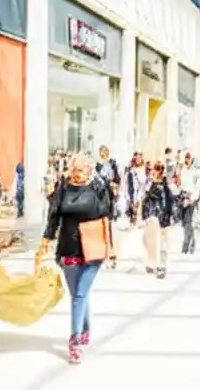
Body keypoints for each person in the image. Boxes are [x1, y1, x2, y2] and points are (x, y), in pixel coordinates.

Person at [38, 153, 114, 364]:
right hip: (68, 248)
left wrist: (111, 249)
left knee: (79, 295)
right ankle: (85, 328)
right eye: (74, 169)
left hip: (93, 248)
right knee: (79, 293)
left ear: (89, 170)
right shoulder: (63, 187)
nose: (77, 173)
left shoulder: (98, 186)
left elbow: (107, 214)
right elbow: (54, 215)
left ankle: (75, 342)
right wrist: (45, 239)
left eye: (81, 169)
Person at [141, 164, 175, 277]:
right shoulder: (152, 184)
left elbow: (167, 203)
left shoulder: (162, 186)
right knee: (151, 241)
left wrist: (166, 216)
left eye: (154, 170)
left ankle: (160, 266)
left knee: (161, 242)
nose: (152, 172)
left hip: (159, 217)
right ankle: (154, 264)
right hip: (154, 217)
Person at [95, 146, 121, 219]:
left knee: (112, 201)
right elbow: (99, 175)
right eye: (102, 151)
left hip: (111, 185)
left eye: (105, 151)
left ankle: (111, 216)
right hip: (103, 186)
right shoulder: (98, 163)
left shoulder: (112, 162)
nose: (104, 153)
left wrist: (115, 183)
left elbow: (116, 174)